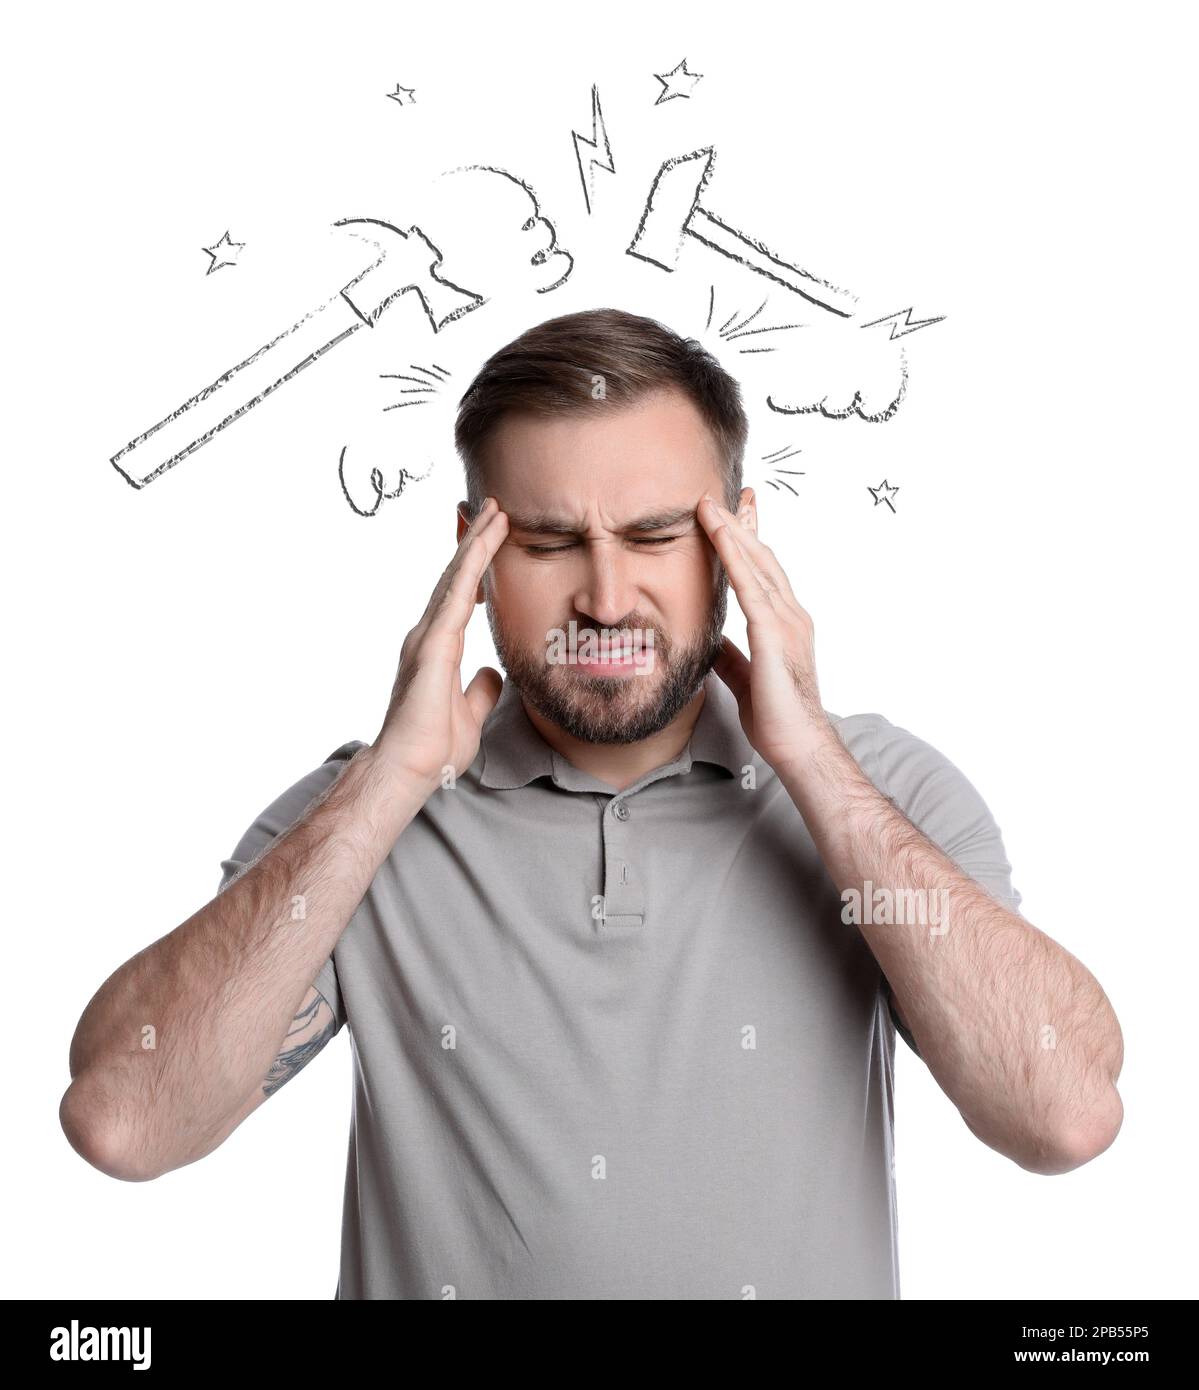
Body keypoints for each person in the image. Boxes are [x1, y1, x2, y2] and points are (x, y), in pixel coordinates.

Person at [60, 307, 1124, 1300]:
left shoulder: (879, 793)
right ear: (472, 553)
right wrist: (388, 783)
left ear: (740, 542)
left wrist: (815, 769)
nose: (606, 598)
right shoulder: (359, 811)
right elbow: (121, 1121)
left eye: (657, 535)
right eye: (548, 542)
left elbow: (1065, 1116)